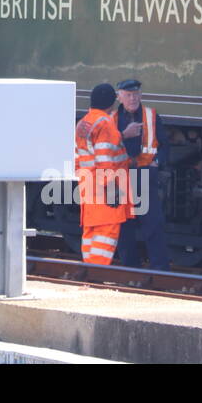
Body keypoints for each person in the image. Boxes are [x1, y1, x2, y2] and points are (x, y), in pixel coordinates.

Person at [115, 78, 171, 270]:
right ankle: (130, 270)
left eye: (136, 94)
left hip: (145, 176)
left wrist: (157, 162)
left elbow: (164, 145)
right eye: (128, 95)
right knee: (125, 226)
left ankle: (160, 270)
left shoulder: (151, 116)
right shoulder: (112, 119)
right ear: (120, 97)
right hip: (122, 177)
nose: (133, 98)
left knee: (153, 224)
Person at [74, 82, 133, 264]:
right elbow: (105, 158)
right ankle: (97, 271)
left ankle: (90, 268)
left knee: (91, 230)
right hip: (104, 188)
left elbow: (78, 157)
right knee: (107, 230)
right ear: (111, 103)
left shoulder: (84, 123)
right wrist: (110, 188)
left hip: (87, 184)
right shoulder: (105, 124)